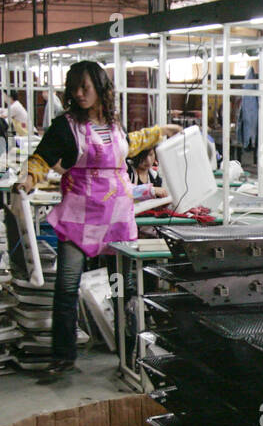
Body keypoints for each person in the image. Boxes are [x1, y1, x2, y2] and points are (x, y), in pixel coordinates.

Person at [18, 60, 181, 379]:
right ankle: (63, 357)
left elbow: (129, 145)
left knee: (124, 290)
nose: (79, 94)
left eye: (85, 88)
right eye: (75, 89)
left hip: (117, 219)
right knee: (67, 287)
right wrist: (27, 180)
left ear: (100, 89)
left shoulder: (114, 124)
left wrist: (160, 132)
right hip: (78, 220)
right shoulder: (65, 126)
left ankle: (129, 353)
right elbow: (41, 159)